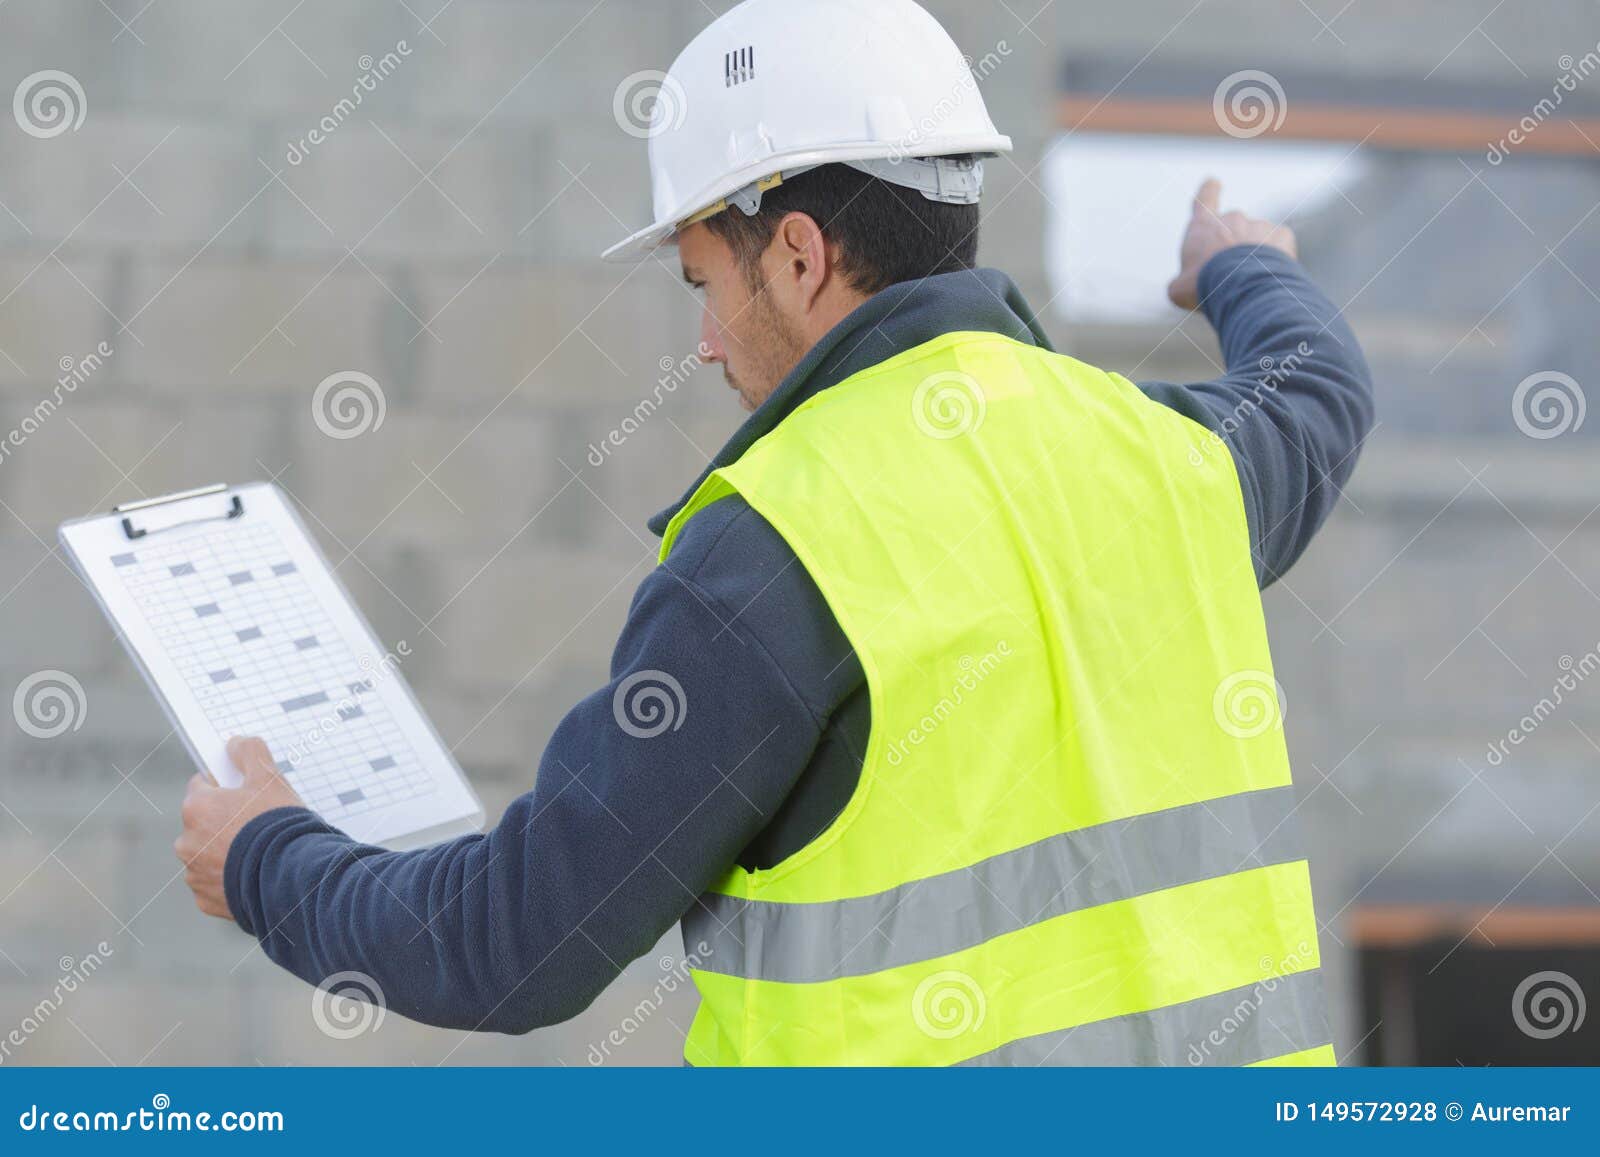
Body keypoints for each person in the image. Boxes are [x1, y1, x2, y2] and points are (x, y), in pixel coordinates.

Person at [176, 0, 1373, 1065]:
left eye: (702, 282)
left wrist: (264, 859)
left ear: (799, 253)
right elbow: (1317, 388)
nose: (702, 342)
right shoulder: (1172, 458)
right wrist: (1241, 266)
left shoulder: (777, 546)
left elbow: (514, 943)